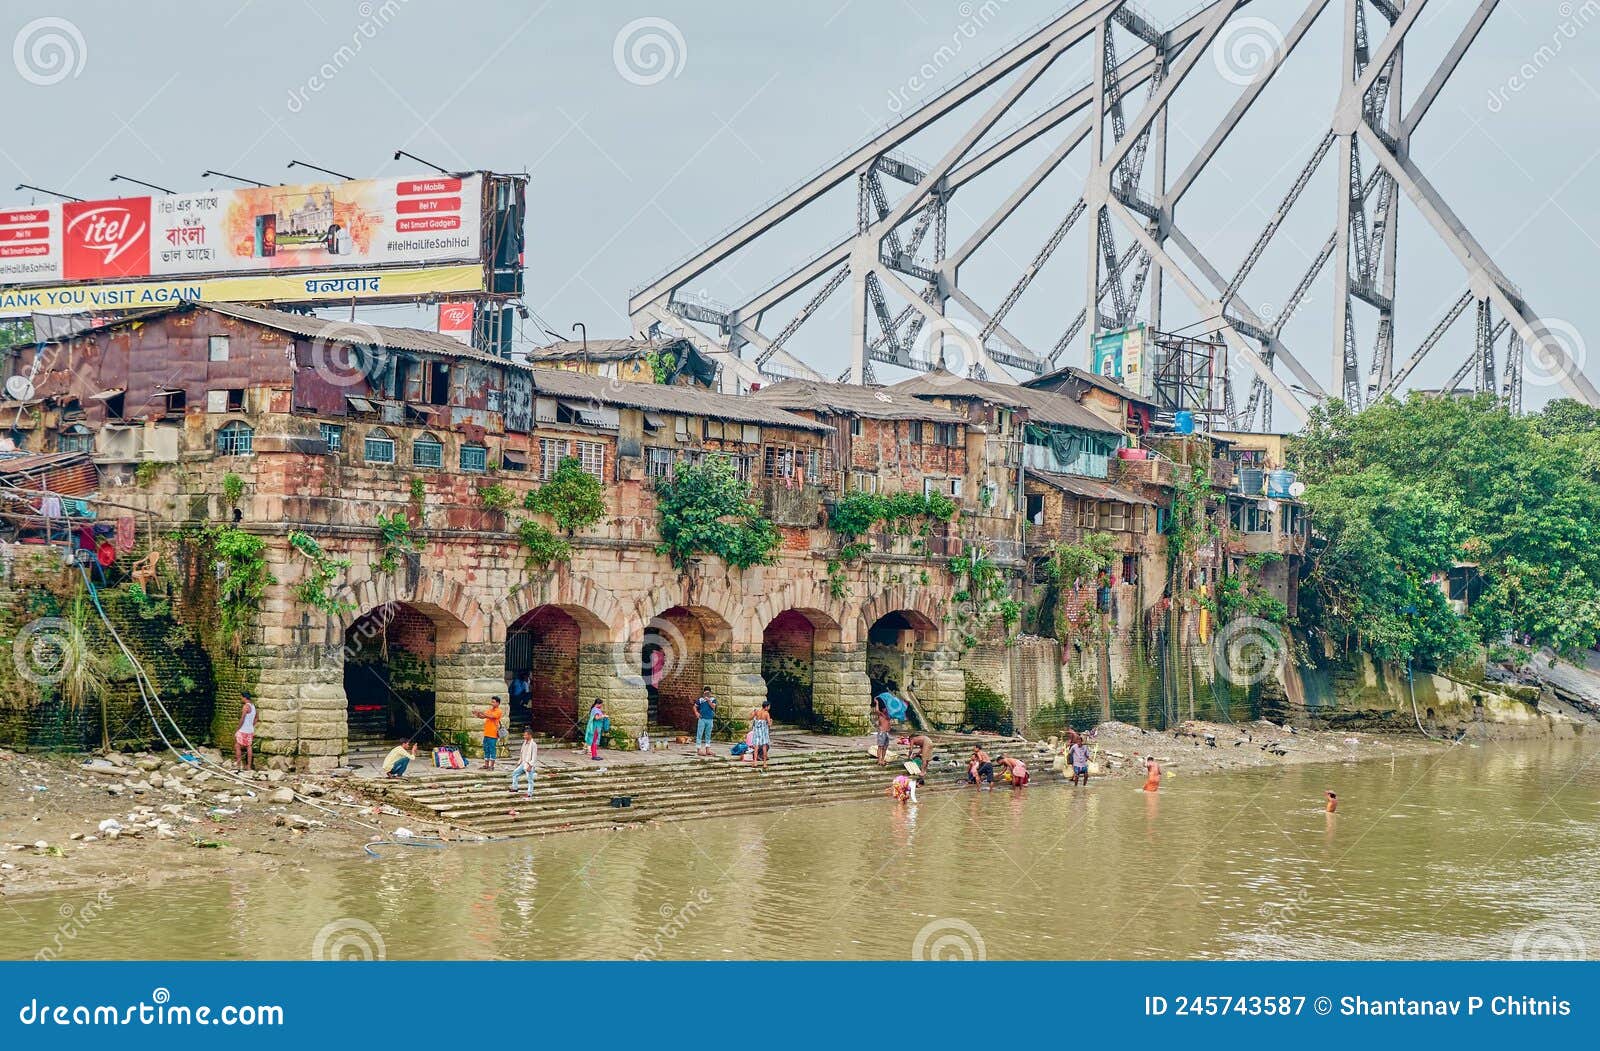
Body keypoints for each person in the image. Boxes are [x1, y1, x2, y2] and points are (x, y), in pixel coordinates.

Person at [472, 697, 504, 770]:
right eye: (492, 702)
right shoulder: (490, 710)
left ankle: (492, 766)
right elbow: (483, 717)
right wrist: (477, 714)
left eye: (494, 702)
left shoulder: (498, 711)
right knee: (486, 749)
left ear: (498, 703)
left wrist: (481, 712)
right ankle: (486, 765)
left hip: (493, 733)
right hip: (486, 733)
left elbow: (491, 716)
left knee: (492, 749)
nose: (492, 703)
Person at [510, 729, 538, 799]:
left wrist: (530, 765)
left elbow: (534, 757)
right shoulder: (524, 743)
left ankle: (529, 793)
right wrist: (519, 762)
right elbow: (522, 754)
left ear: (530, 735)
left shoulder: (533, 745)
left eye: (525, 735)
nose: (524, 736)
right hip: (523, 763)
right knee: (515, 773)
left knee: (530, 779)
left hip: (529, 764)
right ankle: (515, 787)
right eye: (524, 735)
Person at [234, 691, 257, 772]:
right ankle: (249, 766)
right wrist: (252, 726)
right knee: (249, 747)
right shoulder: (253, 706)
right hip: (250, 730)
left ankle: (238, 765)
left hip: (243, 729)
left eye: (241, 697)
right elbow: (256, 718)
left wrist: (237, 729)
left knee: (237, 746)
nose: (241, 699)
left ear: (244, 697)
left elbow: (242, 719)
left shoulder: (245, 707)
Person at [694, 688, 717, 756]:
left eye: (708, 693)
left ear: (710, 693)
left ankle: (708, 750)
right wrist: (696, 713)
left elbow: (713, 707)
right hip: (702, 719)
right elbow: (694, 707)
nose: (707, 694)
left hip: (710, 719)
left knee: (708, 734)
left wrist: (709, 701)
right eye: (705, 693)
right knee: (699, 734)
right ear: (703, 693)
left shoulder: (713, 700)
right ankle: (698, 750)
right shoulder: (700, 700)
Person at [749, 700, 772, 770]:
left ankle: (755, 762)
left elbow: (750, 718)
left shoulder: (757, 711)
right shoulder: (766, 713)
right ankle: (764, 763)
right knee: (764, 747)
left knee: (756, 747)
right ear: (767, 706)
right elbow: (769, 724)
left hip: (757, 731)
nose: (769, 708)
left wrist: (753, 712)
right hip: (763, 732)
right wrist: (771, 721)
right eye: (769, 707)